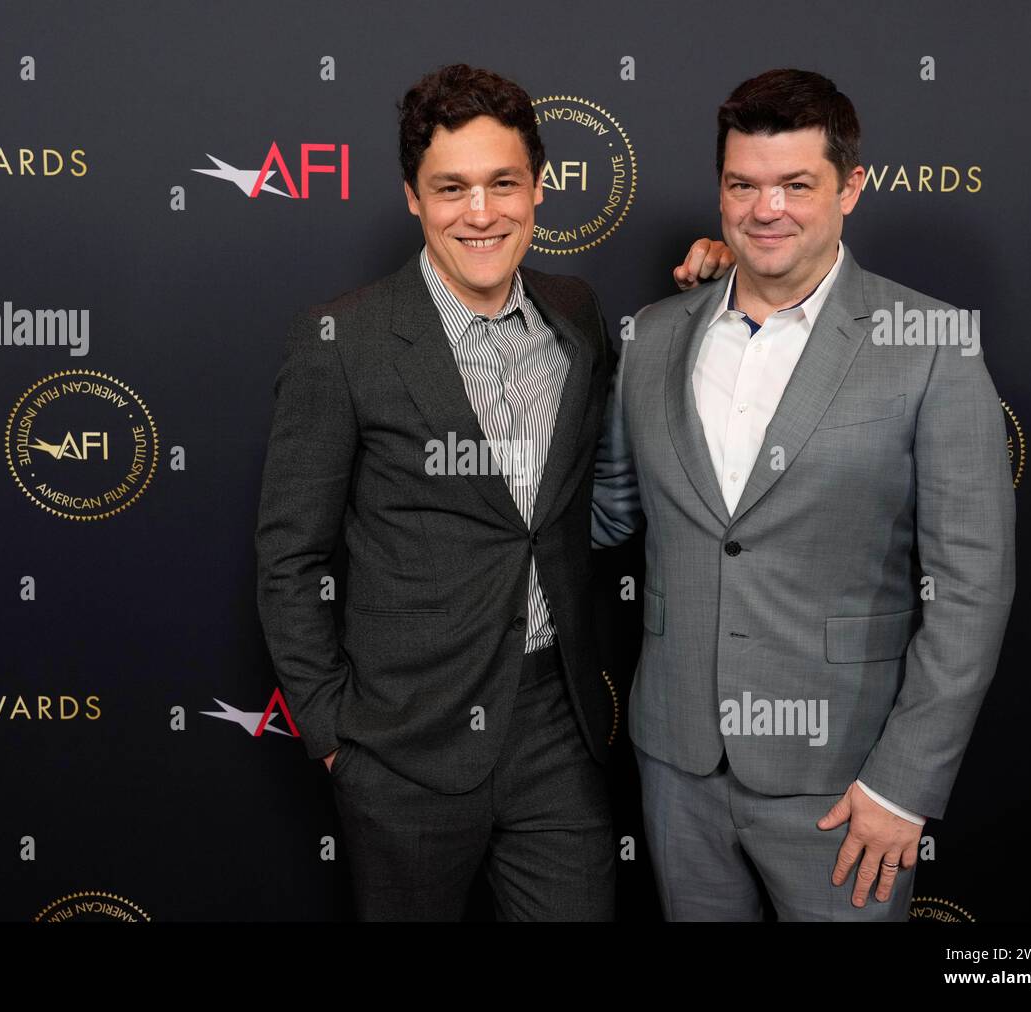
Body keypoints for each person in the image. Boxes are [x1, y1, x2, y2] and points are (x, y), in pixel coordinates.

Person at [255, 62, 728, 920]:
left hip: (556, 723)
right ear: (412, 197)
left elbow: (639, 443)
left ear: (538, 189)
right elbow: (290, 556)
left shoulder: (575, 313)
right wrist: (333, 736)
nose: (481, 213)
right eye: (452, 188)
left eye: (503, 183)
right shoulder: (343, 339)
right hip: (402, 744)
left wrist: (728, 288)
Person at [593, 68, 1016, 920]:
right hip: (677, 771)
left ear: (850, 187)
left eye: (796, 185)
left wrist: (904, 786)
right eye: (742, 185)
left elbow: (972, 586)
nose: (765, 209)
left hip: (846, 787)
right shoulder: (654, 336)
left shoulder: (931, 344)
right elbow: (606, 513)